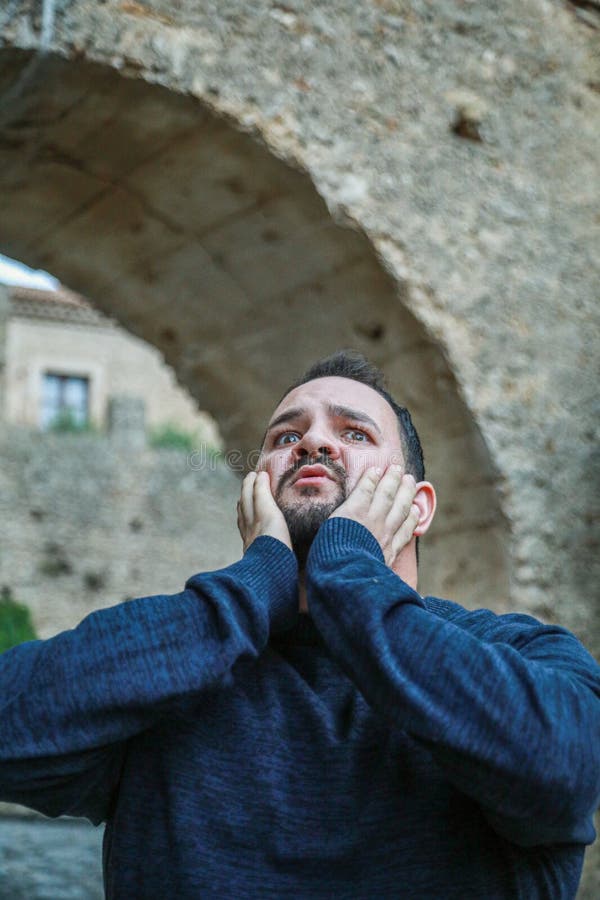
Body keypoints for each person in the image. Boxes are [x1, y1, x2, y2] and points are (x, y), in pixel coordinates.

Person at [0, 350, 599, 899]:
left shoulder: (521, 650)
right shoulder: (174, 674)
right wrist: (255, 582)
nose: (313, 442)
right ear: (253, 489)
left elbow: (569, 771)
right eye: (287, 435)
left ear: (416, 507)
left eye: (353, 432)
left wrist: (350, 570)